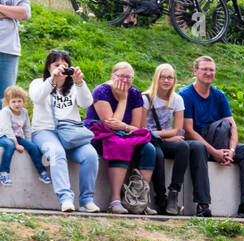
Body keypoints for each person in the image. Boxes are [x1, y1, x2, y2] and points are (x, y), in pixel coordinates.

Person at [180, 56, 244, 219]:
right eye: (204, 69)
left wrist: (232, 150)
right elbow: (188, 130)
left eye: (211, 70)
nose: (208, 73)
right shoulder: (185, 95)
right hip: (196, 142)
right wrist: (214, 152)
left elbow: (232, 126)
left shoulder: (219, 96)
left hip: (219, 141)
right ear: (195, 71)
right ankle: (203, 204)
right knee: (198, 148)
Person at [29, 49, 99, 213]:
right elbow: (37, 98)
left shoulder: (74, 86)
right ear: (48, 67)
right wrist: (52, 80)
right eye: (56, 65)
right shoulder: (38, 83)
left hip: (70, 134)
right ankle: (66, 198)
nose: (60, 68)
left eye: (64, 65)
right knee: (56, 152)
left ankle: (86, 200)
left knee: (90, 155)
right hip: (45, 131)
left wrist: (80, 83)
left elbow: (86, 103)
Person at [85, 61, 157, 214]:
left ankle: (139, 199)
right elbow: (110, 124)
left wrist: (123, 127)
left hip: (124, 134)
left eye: (129, 77)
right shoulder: (101, 91)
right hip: (99, 134)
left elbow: (135, 127)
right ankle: (115, 200)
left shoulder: (136, 94)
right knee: (119, 144)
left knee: (149, 149)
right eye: (121, 76)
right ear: (113, 76)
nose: (125, 81)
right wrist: (123, 100)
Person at [143, 63, 207, 216]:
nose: (166, 81)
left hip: (163, 139)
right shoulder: (145, 98)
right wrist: (167, 135)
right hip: (149, 140)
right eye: (163, 77)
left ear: (174, 80)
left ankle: (174, 192)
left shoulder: (177, 99)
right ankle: (160, 197)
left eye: (170, 78)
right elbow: (142, 130)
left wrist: (169, 136)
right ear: (156, 78)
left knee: (183, 146)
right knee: (157, 154)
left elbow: (179, 130)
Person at [0, 84, 46, 186]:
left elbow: (27, 129)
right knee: (9, 145)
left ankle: (42, 172)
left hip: (16, 136)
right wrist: (16, 145)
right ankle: (3, 173)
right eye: (13, 101)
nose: (17, 104)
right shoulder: (5, 112)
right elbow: (7, 130)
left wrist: (28, 144)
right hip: (2, 135)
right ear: (8, 102)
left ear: (23, 101)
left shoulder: (24, 112)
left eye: (19, 101)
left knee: (33, 147)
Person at [0, 0, 29, 94]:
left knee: (5, 99)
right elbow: (18, 13)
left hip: (7, 51)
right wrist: (10, 12)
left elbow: (24, 13)